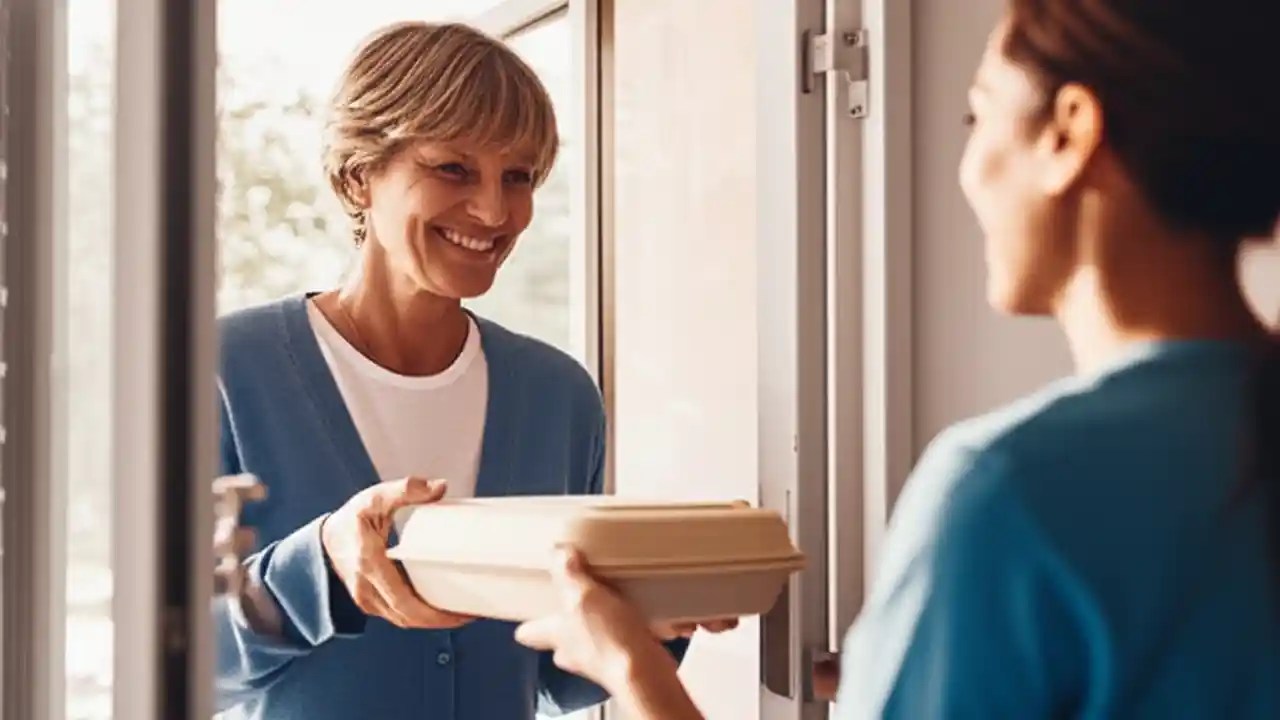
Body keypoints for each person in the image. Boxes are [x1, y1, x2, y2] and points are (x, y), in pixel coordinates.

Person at [514, 1, 1280, 717]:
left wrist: (630, 667)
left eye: (975, 116)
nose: (968, 168)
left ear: (1068, 133)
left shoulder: (1016, 490)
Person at [213, 22, 725, 719]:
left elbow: (554, 676)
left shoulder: (558, 396)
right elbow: (176, 656)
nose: (494, 210)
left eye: (517, 176)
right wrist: (324, 565)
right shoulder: (226, 371)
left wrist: (659, 619)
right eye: (453, 168)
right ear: (359, 176)